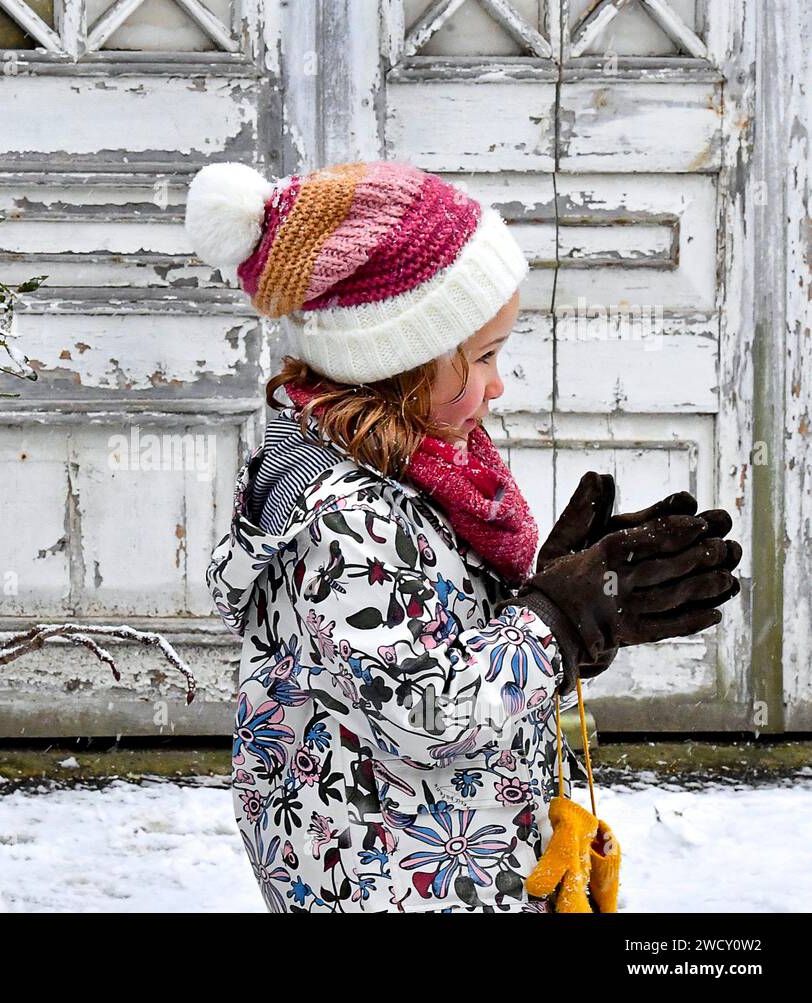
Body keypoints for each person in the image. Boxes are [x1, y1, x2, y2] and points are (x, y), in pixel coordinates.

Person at [186, 159, 743, 913]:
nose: (499, 383)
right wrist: (554, 620)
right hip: (389, 878)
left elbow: (432, 636)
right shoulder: (348, 520)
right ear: (397, 360)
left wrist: (555, 602)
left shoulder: (412, 470)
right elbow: (429, 711)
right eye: (483, 356)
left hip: (448, 859)